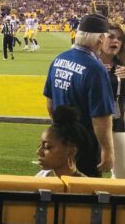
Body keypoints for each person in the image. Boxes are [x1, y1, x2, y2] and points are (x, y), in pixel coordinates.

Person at [43, 13, 115, 177]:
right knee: (84, 193)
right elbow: (100, 117)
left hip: (60, 140)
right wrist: (107, 150)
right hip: (84, 143)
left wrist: (59, 129)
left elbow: (49, 101)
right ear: (100, 39)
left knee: (60, 187)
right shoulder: (95, 69)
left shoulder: (59, 59)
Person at [36, 105, 89, 177]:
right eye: (39, 146)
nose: (39, 152)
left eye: (47, 147)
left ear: (71, 151)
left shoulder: (85, 186)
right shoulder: (40, 178)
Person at [100, 24, 125, 177]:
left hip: (118, 124)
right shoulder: (89, 63)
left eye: (120, 38)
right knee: (87, 171)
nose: (115, 41)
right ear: (101, 39)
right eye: (111, 36)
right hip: (91, 124)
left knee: (121, 175)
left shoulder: (122, 65)